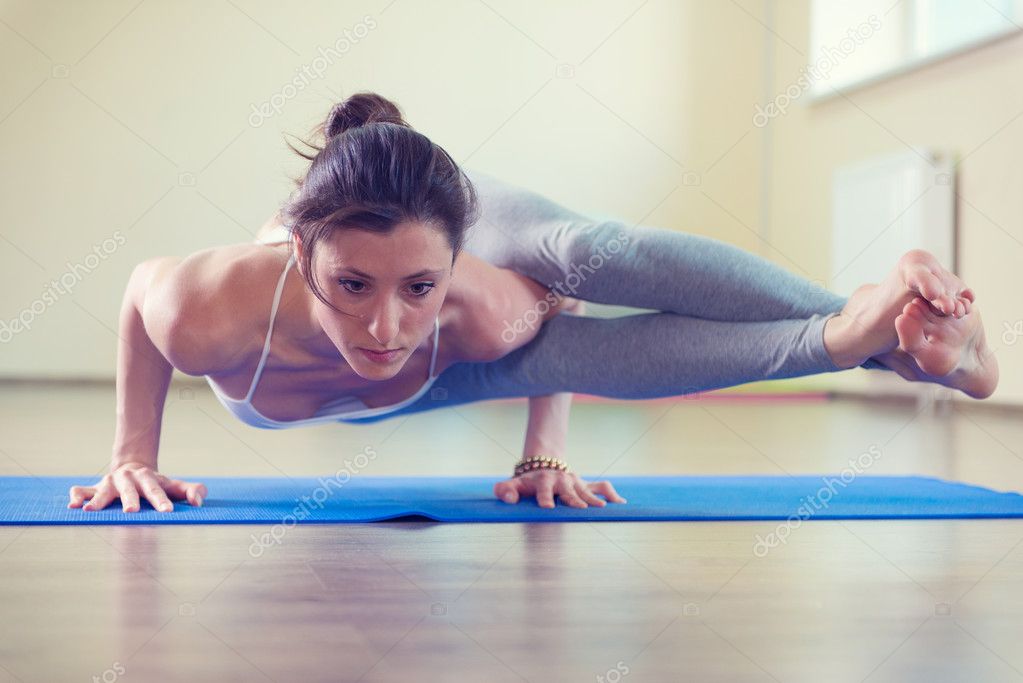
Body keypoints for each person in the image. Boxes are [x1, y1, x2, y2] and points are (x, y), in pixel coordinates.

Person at [68, 92, 998, 513]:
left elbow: (559, 306)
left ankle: (874, 327)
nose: (385, 327)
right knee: (529, 318)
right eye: (352, 286)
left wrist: (543, 449)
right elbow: (134, 302)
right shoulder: (209, 307)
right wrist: (130, 456)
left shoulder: (478, 305)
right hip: (389, 296)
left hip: (476, 288)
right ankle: (888, 332)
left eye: (416, 290)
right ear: (304, 252)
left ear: (451, 266)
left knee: (582, 262)